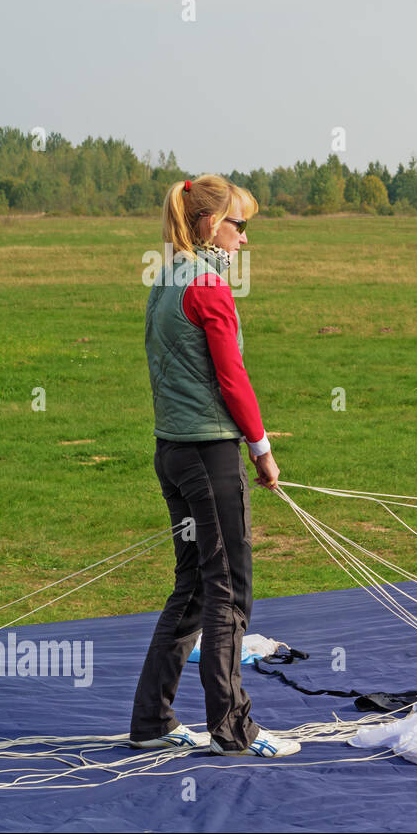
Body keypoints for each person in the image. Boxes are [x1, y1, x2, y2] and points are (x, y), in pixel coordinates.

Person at [128, 174, 299, 757]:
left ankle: (152, 720)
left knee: (195, 587)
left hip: (171, 453)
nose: (245, 240)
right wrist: (262, 450)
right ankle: (235, 729)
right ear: (208, 225)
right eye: (239, 225)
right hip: (208, 455)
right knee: (228, 590)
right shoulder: (208, 288)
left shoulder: (165, 280)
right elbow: (232, 378)